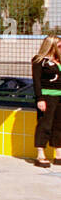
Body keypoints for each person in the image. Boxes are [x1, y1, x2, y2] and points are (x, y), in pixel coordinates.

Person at [32, 35, 61, 167]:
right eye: (59, 45)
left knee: (58, 125)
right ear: (52, 46)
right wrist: (40, 99)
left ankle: (58, 153)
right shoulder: (39, 61)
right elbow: (37, 81)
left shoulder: (59, 60)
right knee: (45, 124)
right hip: (47, 96)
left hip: (60, 97)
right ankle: (40, 154)